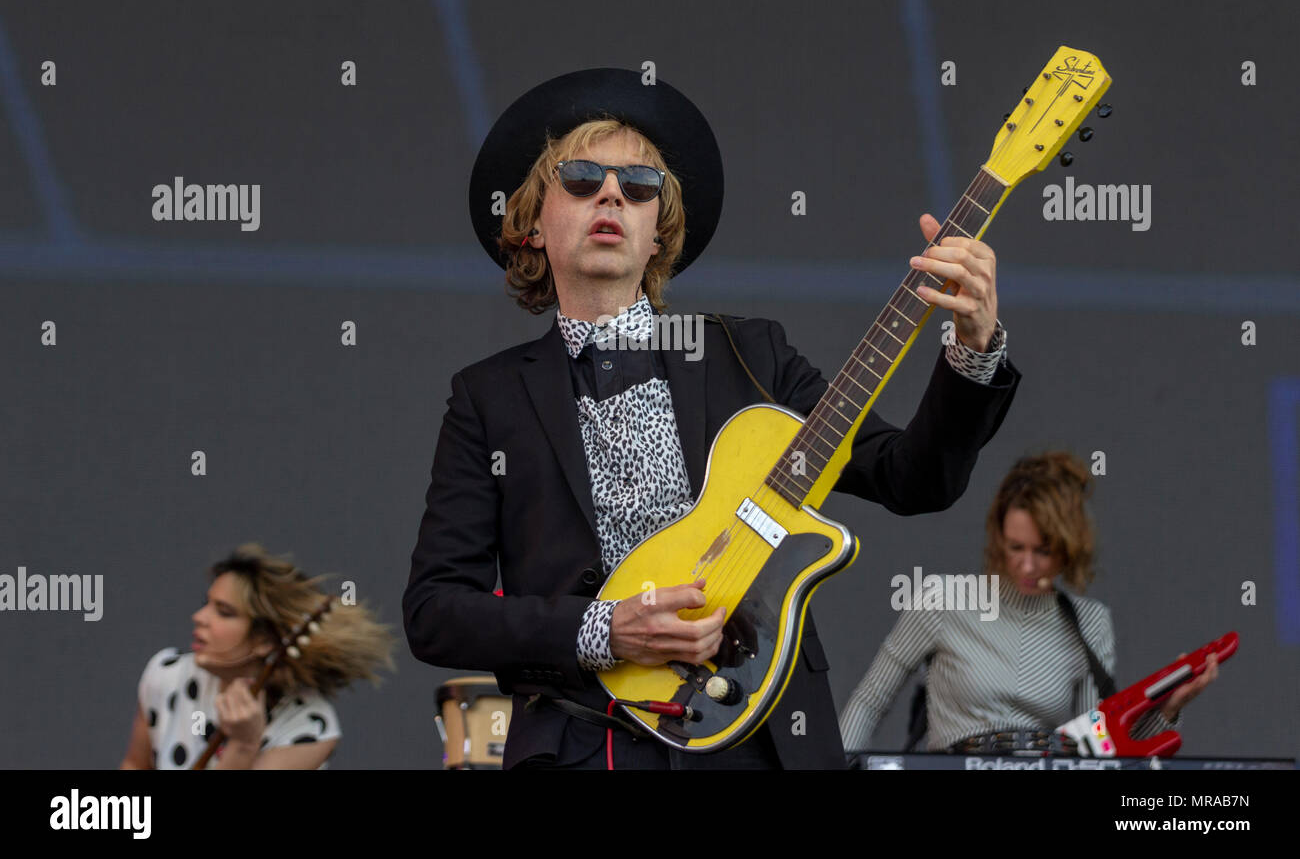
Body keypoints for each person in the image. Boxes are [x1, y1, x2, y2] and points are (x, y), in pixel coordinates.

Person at [403, 67, 1022, 769]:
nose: (612, 193)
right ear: (531, 224)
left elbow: (912, 478)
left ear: (657, 232)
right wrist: (604, 629)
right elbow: (435, 611)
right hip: (585, 743)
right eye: (580, 177)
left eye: (639, 187)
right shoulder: (488, 398)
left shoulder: (751, 356)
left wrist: (973, 348)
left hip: (760, 740)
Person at [838, 451, 1218, 755]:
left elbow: (1099, 748)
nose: (1027, 564)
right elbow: (870, 700)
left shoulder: (1089, 622)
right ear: (998, 536)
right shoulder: (943, 600)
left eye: (1044, 551)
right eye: (1015, 547)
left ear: (1070, 547)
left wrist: (1167, 709)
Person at [120, 544, 395, 769]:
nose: (199, 618)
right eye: (206, 605)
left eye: (224, 612)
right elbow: (135, 765)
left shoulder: (308, 728)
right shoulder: (166, 675)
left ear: (264, 640)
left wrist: (244, 745)